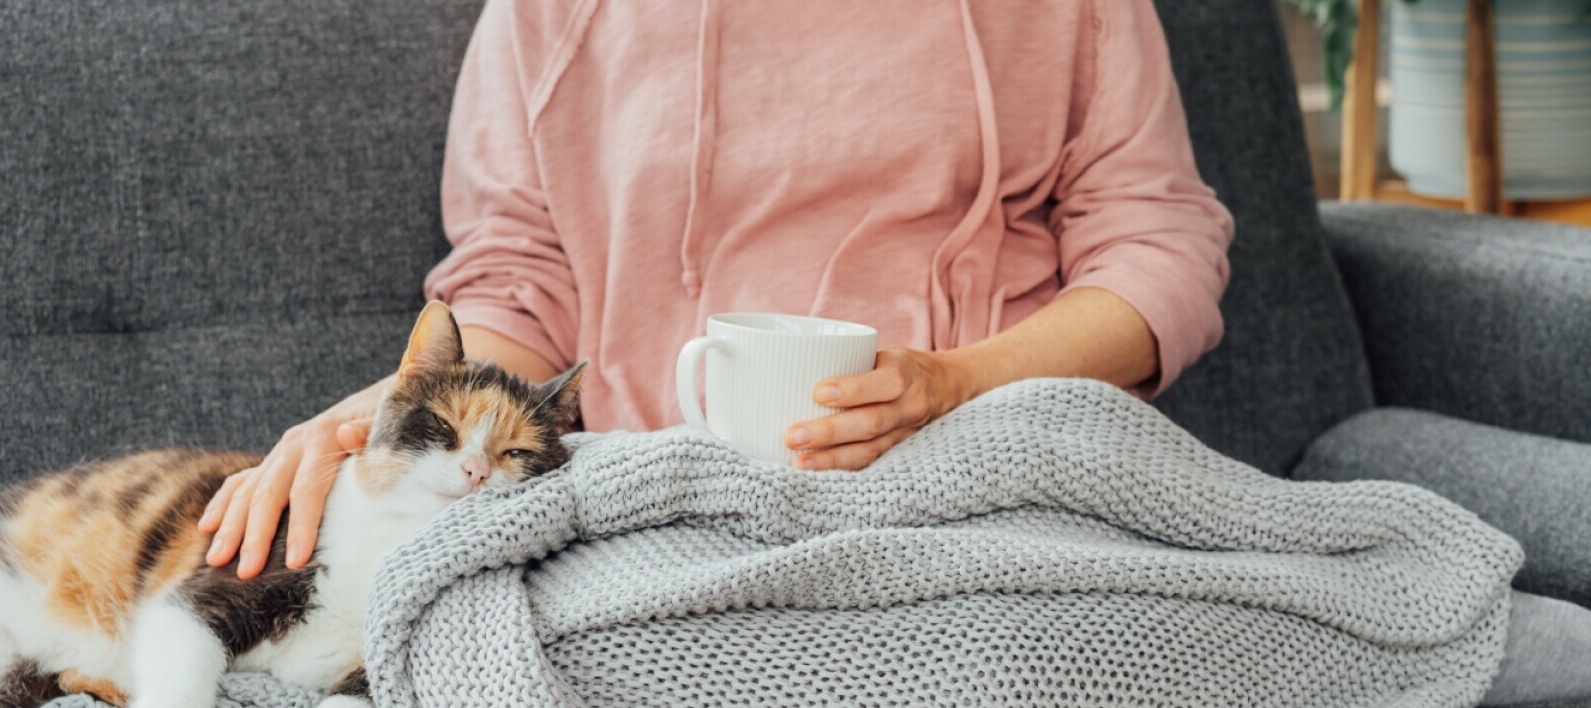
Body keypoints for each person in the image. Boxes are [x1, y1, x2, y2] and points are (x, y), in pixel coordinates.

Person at [200, 0, 1233, 580]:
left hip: (992, 504)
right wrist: (387, 416)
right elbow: (520, 290)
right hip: (665, 531)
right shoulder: (548, 17)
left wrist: (955, 383)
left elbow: (1162, 247)